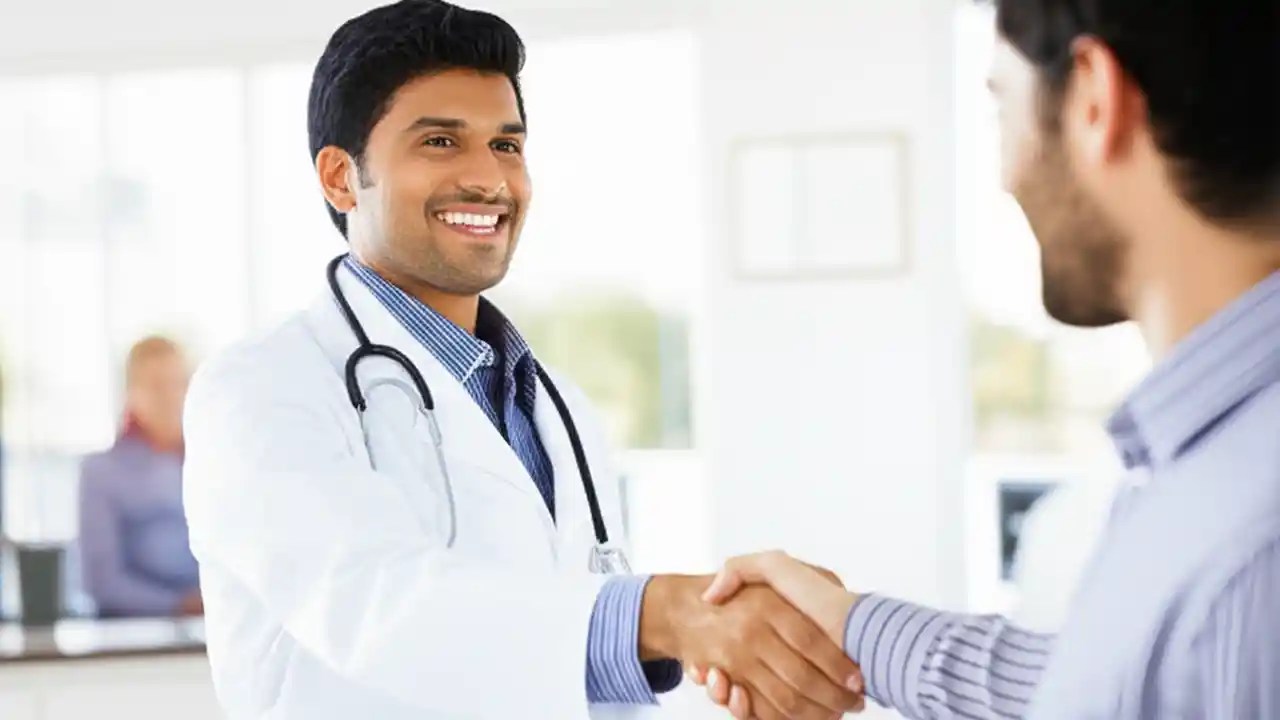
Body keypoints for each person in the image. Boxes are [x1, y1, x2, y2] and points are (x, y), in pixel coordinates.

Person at [181, 2, 863, 718]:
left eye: (507, 145)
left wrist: (713, 646)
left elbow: (568, 658)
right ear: (340, 178)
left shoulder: (556, 404)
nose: (489, 179)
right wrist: (675, 614)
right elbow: (379, 605)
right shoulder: (260, 389)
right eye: (441, 141)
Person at [691, 0, 1280, 718]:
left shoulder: (1246, 550)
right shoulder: (1212, 482)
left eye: (1003, 108)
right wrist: (848, 626)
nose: (1004, 175)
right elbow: (1118, 681)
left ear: (1094, 98)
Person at [80, 336, 202, 618]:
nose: (171, 396)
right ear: (131, 393)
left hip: (213, 631)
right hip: (135, 636)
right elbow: (102, 582)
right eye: (156, 385)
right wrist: (180, 605)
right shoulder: (101, 472)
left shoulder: (214, 465)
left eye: (179, 383)